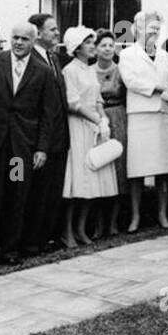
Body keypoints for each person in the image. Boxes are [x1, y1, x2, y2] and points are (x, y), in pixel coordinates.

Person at [0, 22, 56, 269]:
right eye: (15, 38)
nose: (18, 43)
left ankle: (10, 249)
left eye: (24, 39)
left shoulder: (42, 71)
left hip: (21, 150)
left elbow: (47, 114)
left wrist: (41, 148)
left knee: (16, 195)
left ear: (33, 41)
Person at [118, 10, 168, 232]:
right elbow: (131, 81)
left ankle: (162, 215)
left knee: (164, 170)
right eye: (150, 27)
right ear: (138, 29)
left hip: (163, 114)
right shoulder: (127, 55)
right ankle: (135, 217)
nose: (154, 32)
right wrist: (158, 88)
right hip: (140, 116)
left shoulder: (165, 56)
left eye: (157, 28)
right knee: (137, 170)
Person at [59, 27, 118, 247]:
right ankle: (67, 231)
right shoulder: (70, 70)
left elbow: (98, 98)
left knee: (91, 182)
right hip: (78, 128)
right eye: (88, 43)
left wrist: (104, 120)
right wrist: (96, 119)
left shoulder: (89, 69)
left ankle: (81, 229)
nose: (93, 46)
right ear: (76, 47)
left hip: (94, 128)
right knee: (76, 181)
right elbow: (73, 103)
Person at [21, 13, 69, 256]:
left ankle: (45, 238)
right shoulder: (30, 62)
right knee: (33, 191)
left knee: (51, 191)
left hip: (59, 138)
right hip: (38, 140)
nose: (57, 33)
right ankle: (30, 241)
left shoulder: (53, 58)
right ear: (38, 33)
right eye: (52, 30)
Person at [91, 30, 127, 238]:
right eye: (103, 45)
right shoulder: (88, 71)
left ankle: (114, 223)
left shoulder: (121, 70)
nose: (107, 49)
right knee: (99, 167)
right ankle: (97, 224)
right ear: (95, 48)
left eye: (110, 46)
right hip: (95, 120)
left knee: (118, 170)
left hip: (118, 118)